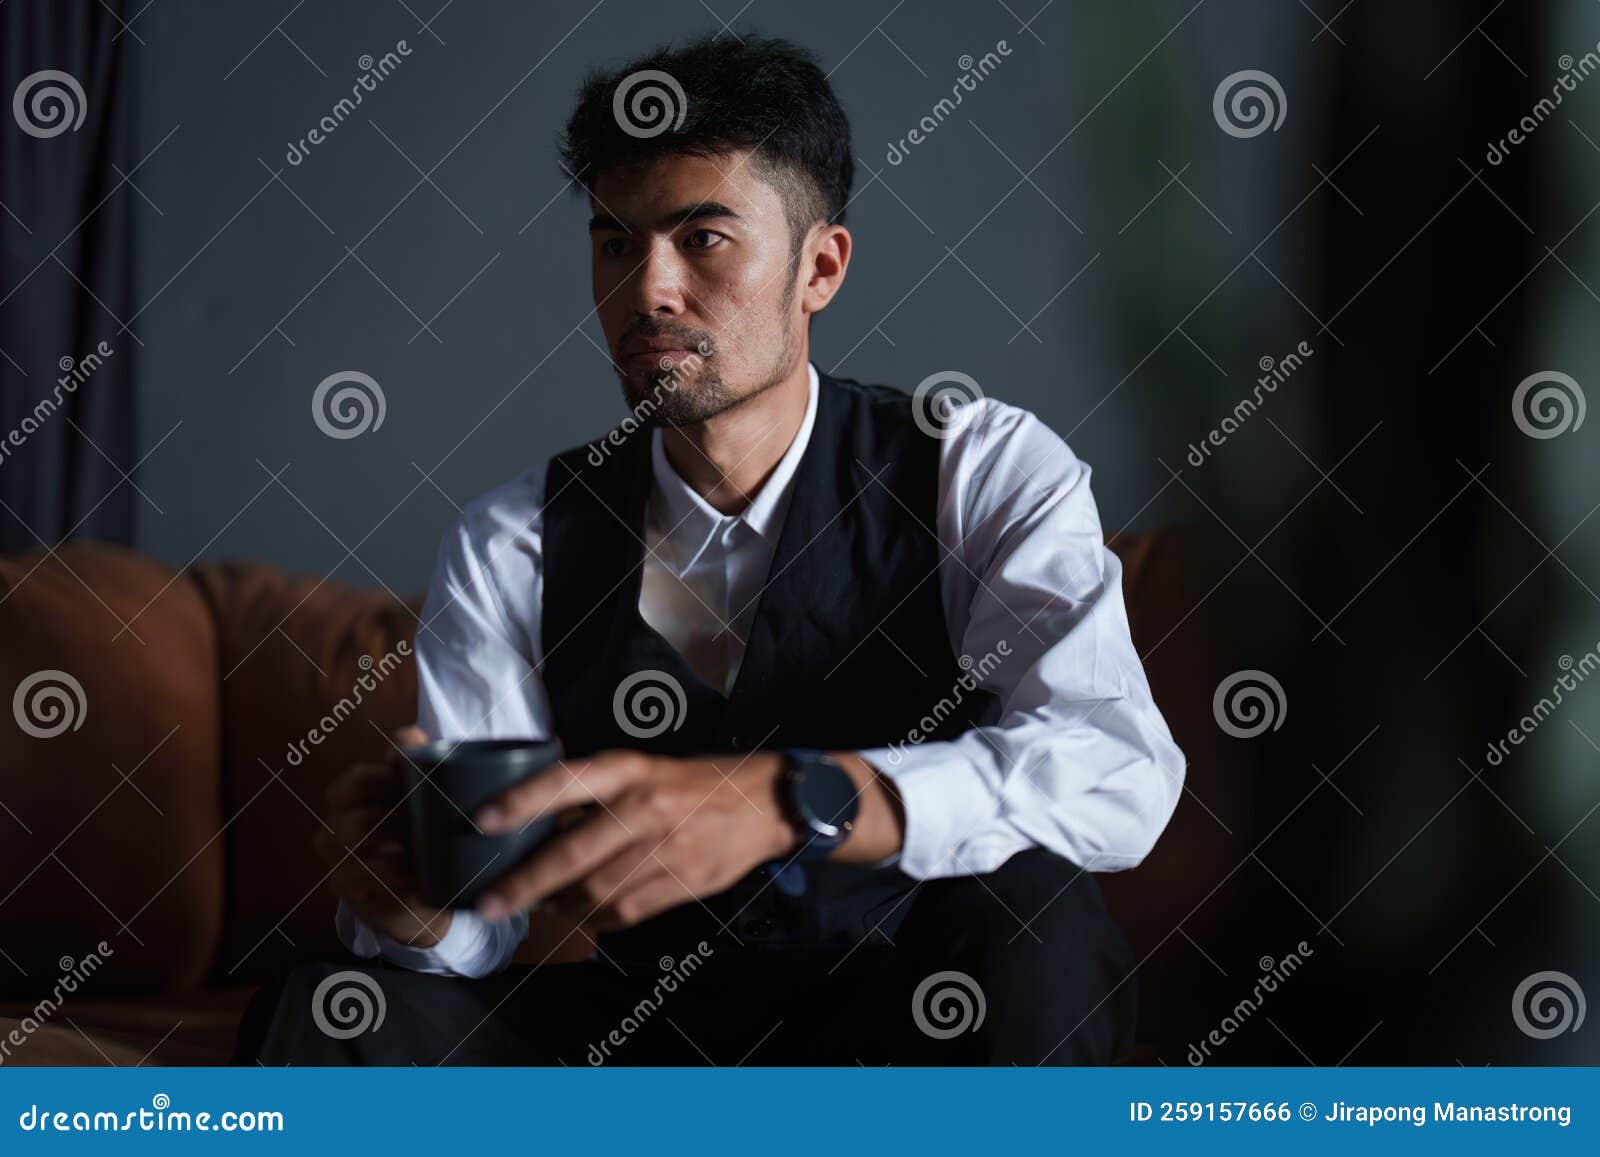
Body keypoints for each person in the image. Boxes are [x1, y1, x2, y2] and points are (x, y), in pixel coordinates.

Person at [234, 32, 1184, 1067]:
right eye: (614, 242)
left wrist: (792, 798)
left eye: (703, 239)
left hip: (919, 1019)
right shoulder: (515, 541)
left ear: (819, 266)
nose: (648, 290)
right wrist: (419, 909)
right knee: (336, 1002)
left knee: (1034, 911)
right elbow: (480, 917)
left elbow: (1114, 768)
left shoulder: (977, 470)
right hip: (657, 1035)